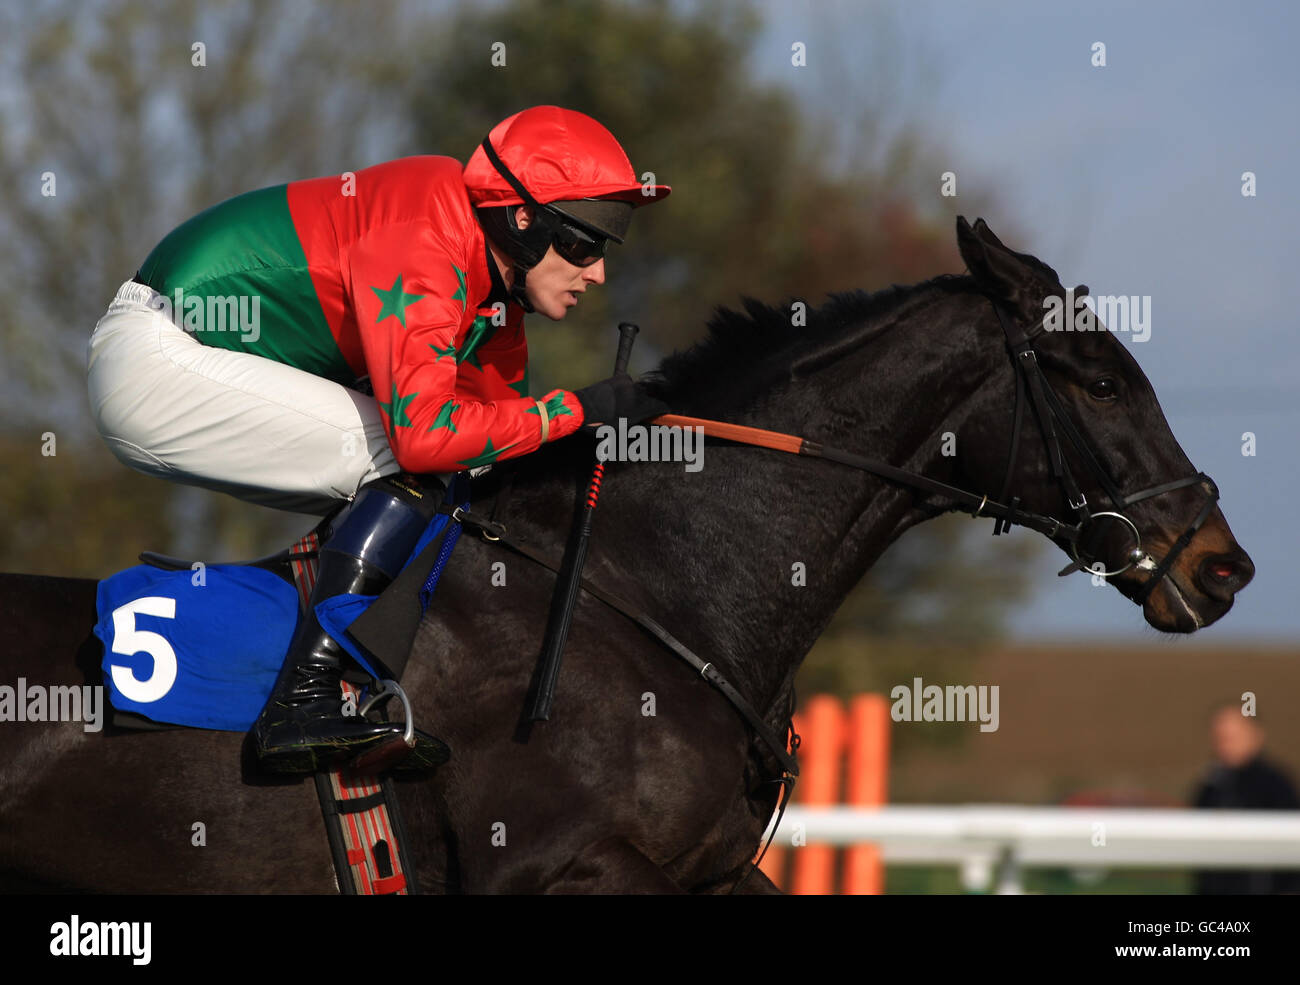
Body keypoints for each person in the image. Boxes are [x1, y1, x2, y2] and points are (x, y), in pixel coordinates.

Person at [86, 105, 671, 773]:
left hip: (184, 360)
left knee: (463, 477)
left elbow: (500, 453)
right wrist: (574, 409)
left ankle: (319, 657)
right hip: (155, 361)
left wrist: (596, 433)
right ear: (522, 218)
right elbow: (428, 439)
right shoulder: (426, 229)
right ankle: (301, 701)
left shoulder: (490, 292)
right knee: (420, 459)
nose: (597, 272)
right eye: (585, 243)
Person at [1190, 704, 1300, 894]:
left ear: (1256, 735)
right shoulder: (1210, 785)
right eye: (1221, 737)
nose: (1226, 743)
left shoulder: (1275, 785)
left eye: (1234, 736)